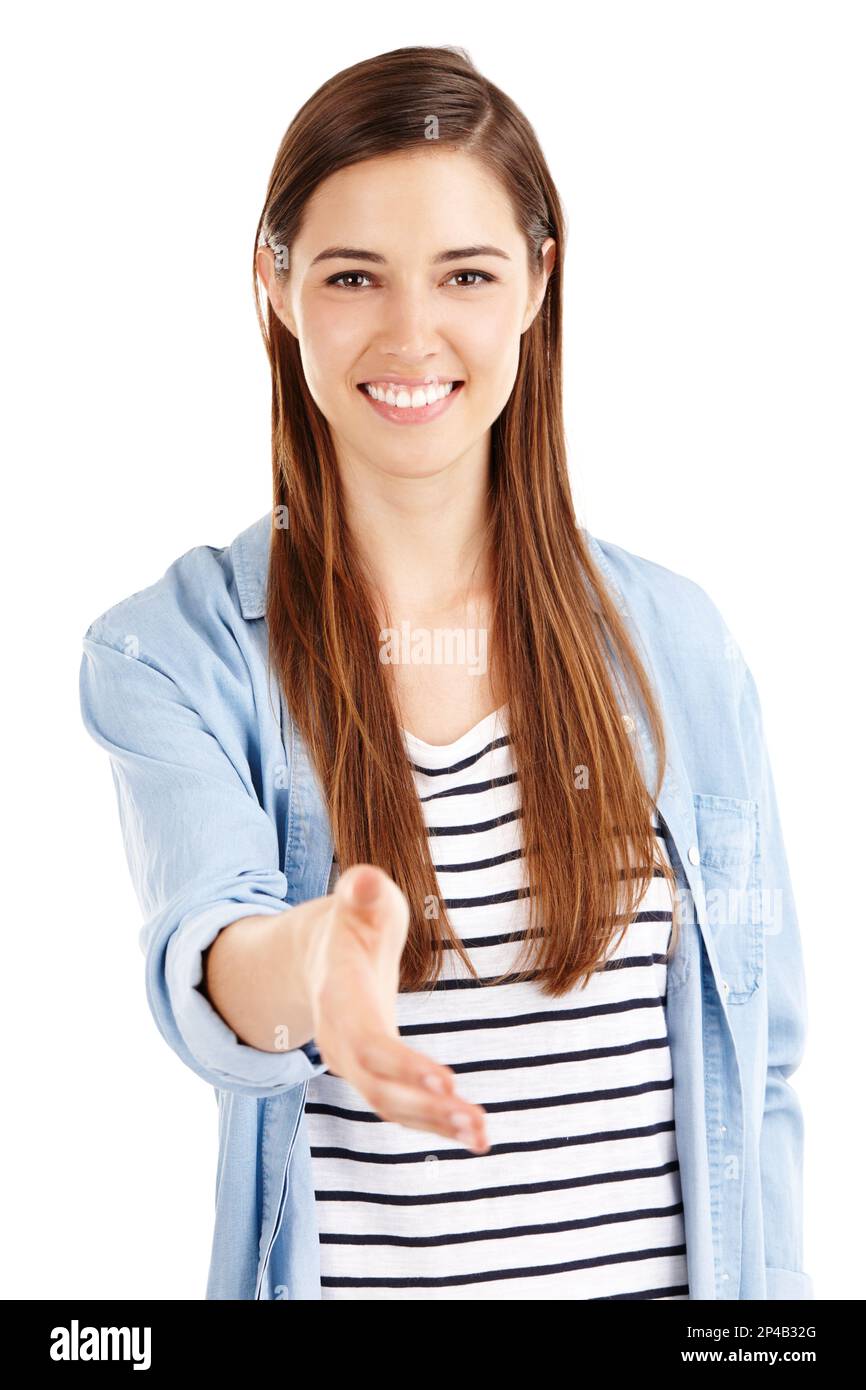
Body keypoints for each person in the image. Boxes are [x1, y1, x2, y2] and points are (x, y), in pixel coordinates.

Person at [79, 44, 812, 1301]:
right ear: (275, 286)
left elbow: (762, 1074)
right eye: (352, 274)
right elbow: (209, 946)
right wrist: (319, 964)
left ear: (535, 281)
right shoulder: (174, 650)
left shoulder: (678, 645)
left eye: (464, 274)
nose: (410, 335)